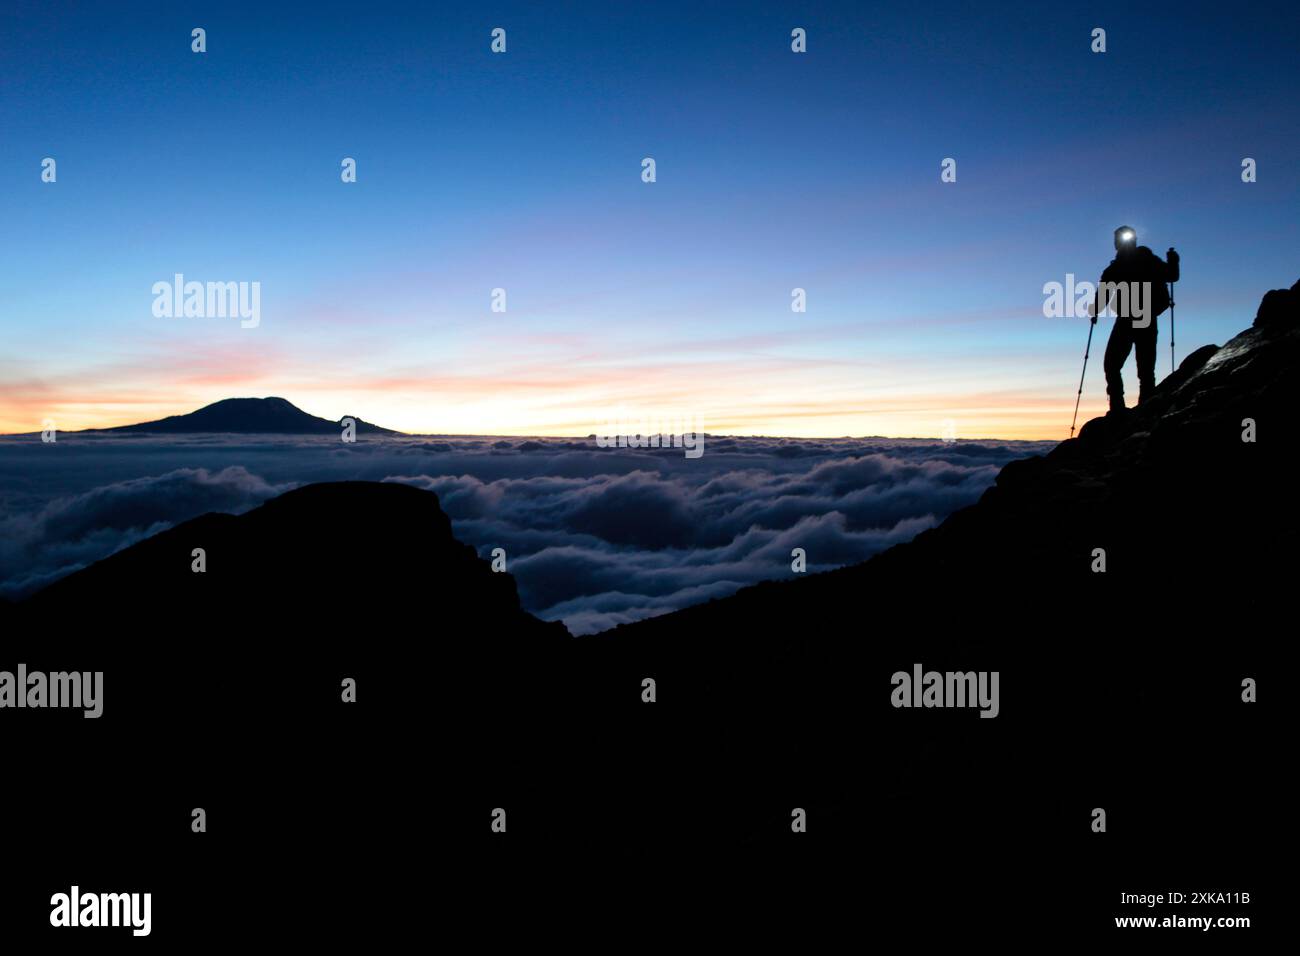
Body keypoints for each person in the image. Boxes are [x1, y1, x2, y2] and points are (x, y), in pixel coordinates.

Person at [1092, 226, 1179, 411]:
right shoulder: (1145, 261)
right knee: (1143, 368)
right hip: (1144, 318)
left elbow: (1104, 291)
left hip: (1129, 319)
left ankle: (1120, 407)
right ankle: (1142, 406)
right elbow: (1171, 275)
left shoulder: (1120, 266)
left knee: (1115, 365)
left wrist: (1096, 311)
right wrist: (1173, 261)